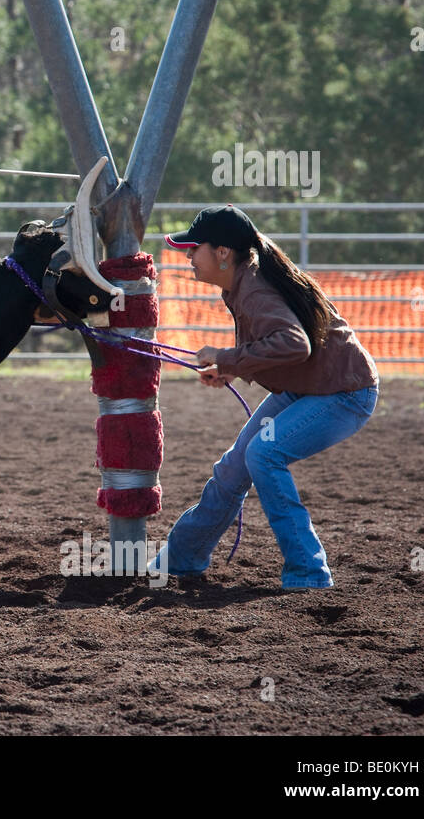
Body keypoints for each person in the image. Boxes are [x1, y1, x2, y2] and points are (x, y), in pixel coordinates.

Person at [150, 204, 379, 590]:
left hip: (344, 392)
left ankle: (309, 573)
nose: (188, 255)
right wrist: (233, 367)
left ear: (223, 252)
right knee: (235, 466)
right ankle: (179, 560)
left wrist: (227, 357)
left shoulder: (253, 286)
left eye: (194, 248)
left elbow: (293, 344)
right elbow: (283, 346)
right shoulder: (246, 278)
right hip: (311, 387)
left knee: (263, 453)